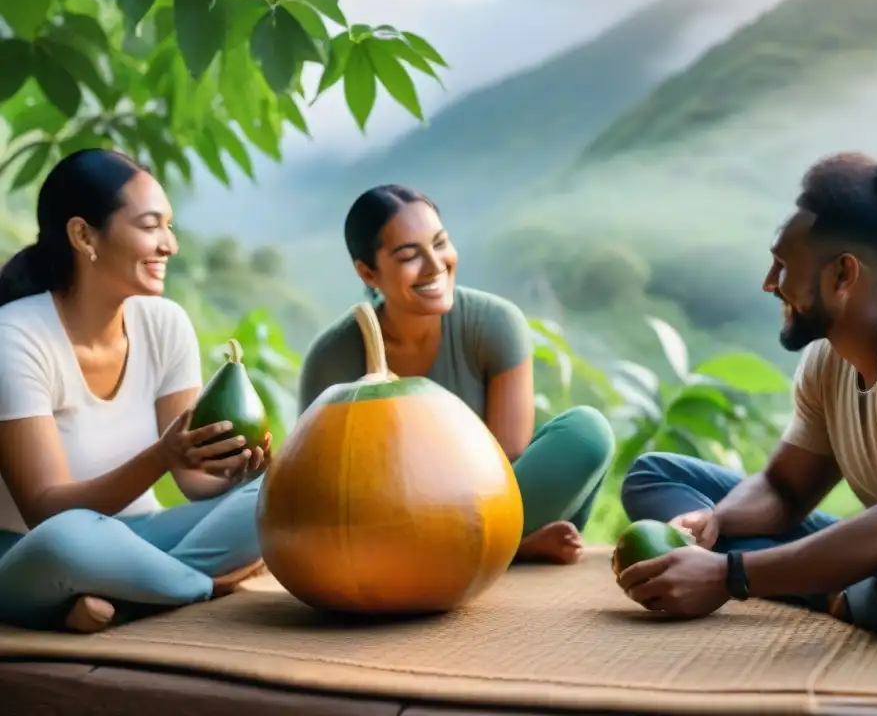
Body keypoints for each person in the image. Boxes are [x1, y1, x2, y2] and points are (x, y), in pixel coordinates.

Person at [616, 146, 877, 639]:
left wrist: (732, 575)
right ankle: (848, 592)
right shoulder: (830, 354)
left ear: (842, 275)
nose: (770, 283)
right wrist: (717, 521)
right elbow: (784, 490)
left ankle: (836, 589)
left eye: (783, 266)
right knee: (655, 476)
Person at [0, 149, 272, 635]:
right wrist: (161, 456)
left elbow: (193, 482)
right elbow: (44, 513)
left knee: (278, 493)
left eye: (169, 226)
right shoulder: (15, 337)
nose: (169, 244)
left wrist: (233, 468)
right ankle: (204, 586)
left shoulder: (165, 323)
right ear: (84, 235)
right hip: (30, 551)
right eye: (151, 226)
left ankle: (127, 600)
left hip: (141, 541)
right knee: (71, 542)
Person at [298, 184, 616, 564]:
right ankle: (507, 549)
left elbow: (505, 465)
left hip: (490, 499)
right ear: (368, 272)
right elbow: (316, 484)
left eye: (440, 243)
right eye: (408, 256)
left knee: (587, 431)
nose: (435, 266)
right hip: (383, 520)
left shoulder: (495, 323)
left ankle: (483, 549)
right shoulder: (333, 358)